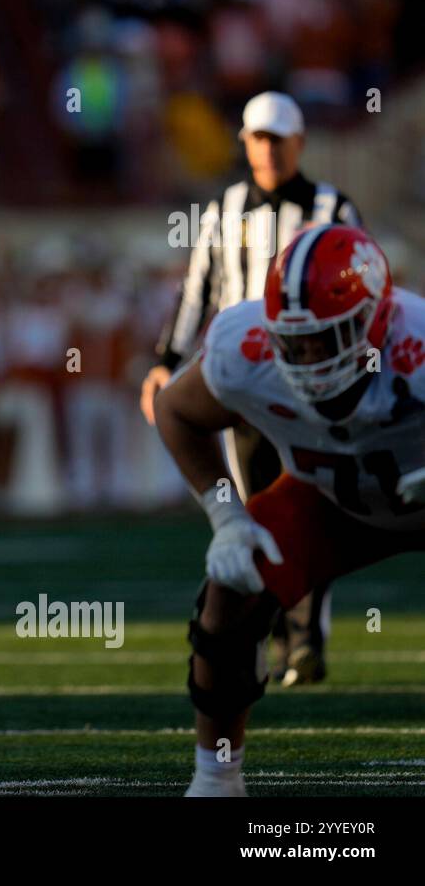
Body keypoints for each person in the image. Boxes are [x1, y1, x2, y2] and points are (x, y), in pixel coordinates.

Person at [153, 224, 425, 796]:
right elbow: (176, 410)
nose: (308, 359)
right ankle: (216, 779)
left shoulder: (417, 346)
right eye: (294, 343)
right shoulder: (244, 347)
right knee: (230, 590)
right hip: (330, 501)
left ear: (378, 319)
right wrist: (226, 514)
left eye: (328, 339)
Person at [142, 91, 362, 686]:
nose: (266, 148)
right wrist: (167, 359)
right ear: (244, 142)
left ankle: (306, 633)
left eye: (277, 138)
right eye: (257, 138)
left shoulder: (331, 208)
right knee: (253, 501)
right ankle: (274, 631)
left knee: (311, 498)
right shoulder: (224, 208)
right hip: (242, 380)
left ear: (299, 143)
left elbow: (361, 290)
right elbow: (199, 291)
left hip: (313, 380)